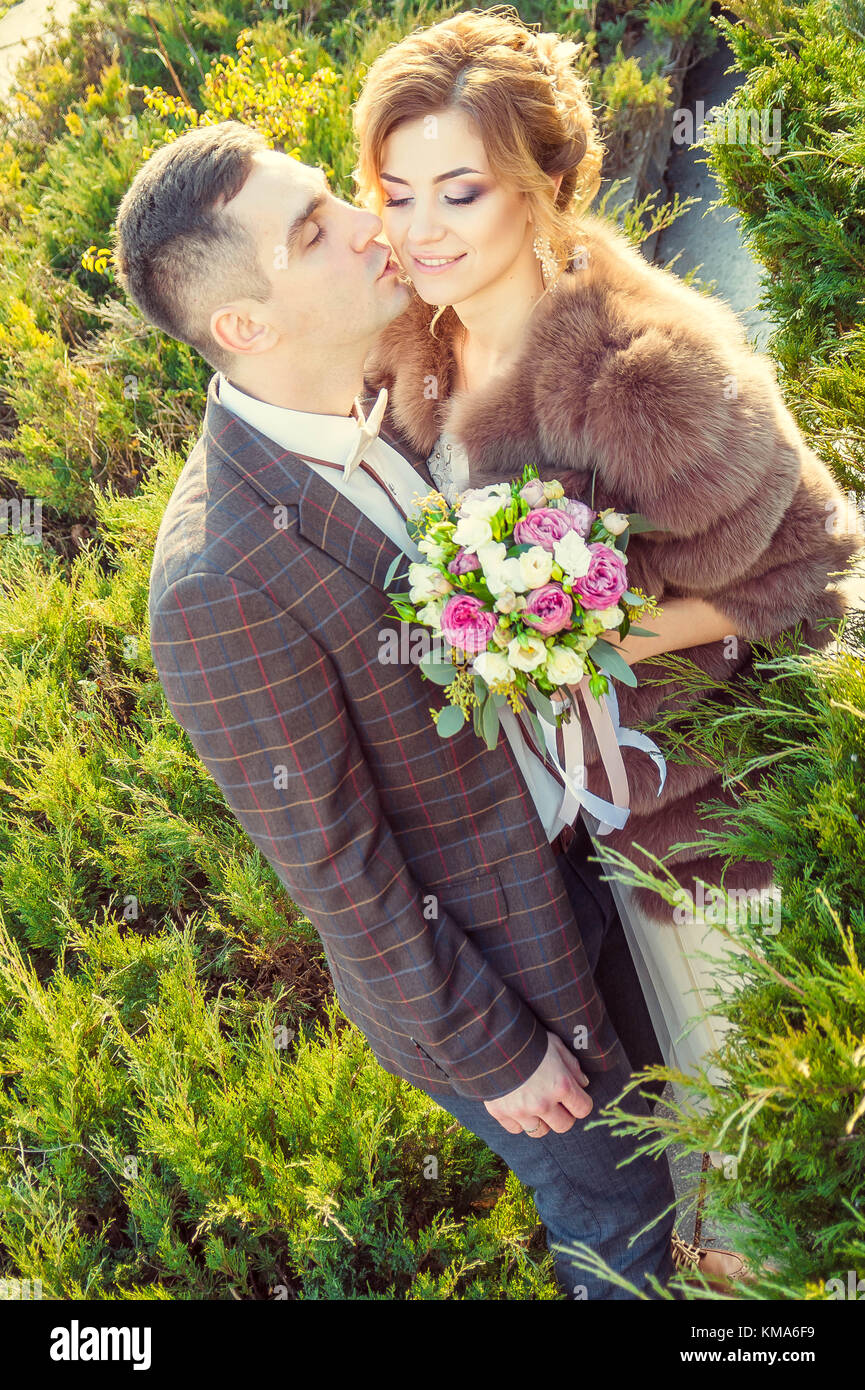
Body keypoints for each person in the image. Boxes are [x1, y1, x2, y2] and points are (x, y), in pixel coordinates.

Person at [112, 117, 693, 1301]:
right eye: (318, 230)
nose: (374, 226)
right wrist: (499, 1051)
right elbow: (338, 872)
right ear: (244, 327)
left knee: (684, 1139)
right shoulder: (218, 583)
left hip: (588, 853)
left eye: (334, 195)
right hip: (497, 969)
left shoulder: (397, 381)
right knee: (623, 1223)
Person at [354, 8, 861, 1101]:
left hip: (706, 823)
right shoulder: (410, 343)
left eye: (461, 191)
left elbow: (814, 566)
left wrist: (575, 635)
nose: (423, 230)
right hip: (551, 838)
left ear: (539, 183)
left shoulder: (644, 371)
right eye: (396, 194)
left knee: (754, 1145)